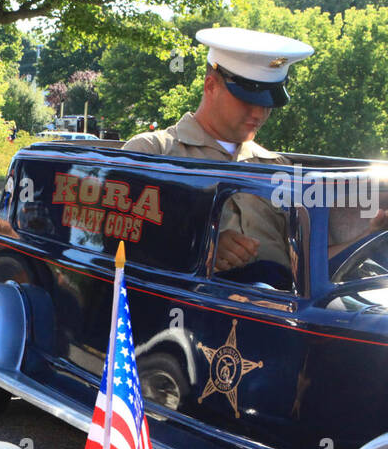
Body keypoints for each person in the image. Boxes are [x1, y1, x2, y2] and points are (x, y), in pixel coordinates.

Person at [123, 27, 315, 280]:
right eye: (247, 100)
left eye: (267, 103)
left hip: (283, 308)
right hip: (191, 311)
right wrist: (200, 249)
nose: (259, 114)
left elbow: (312, 264)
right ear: (211, 85)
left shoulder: (277, 166)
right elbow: (119, 246)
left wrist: (374, 232)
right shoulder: (152, 153)